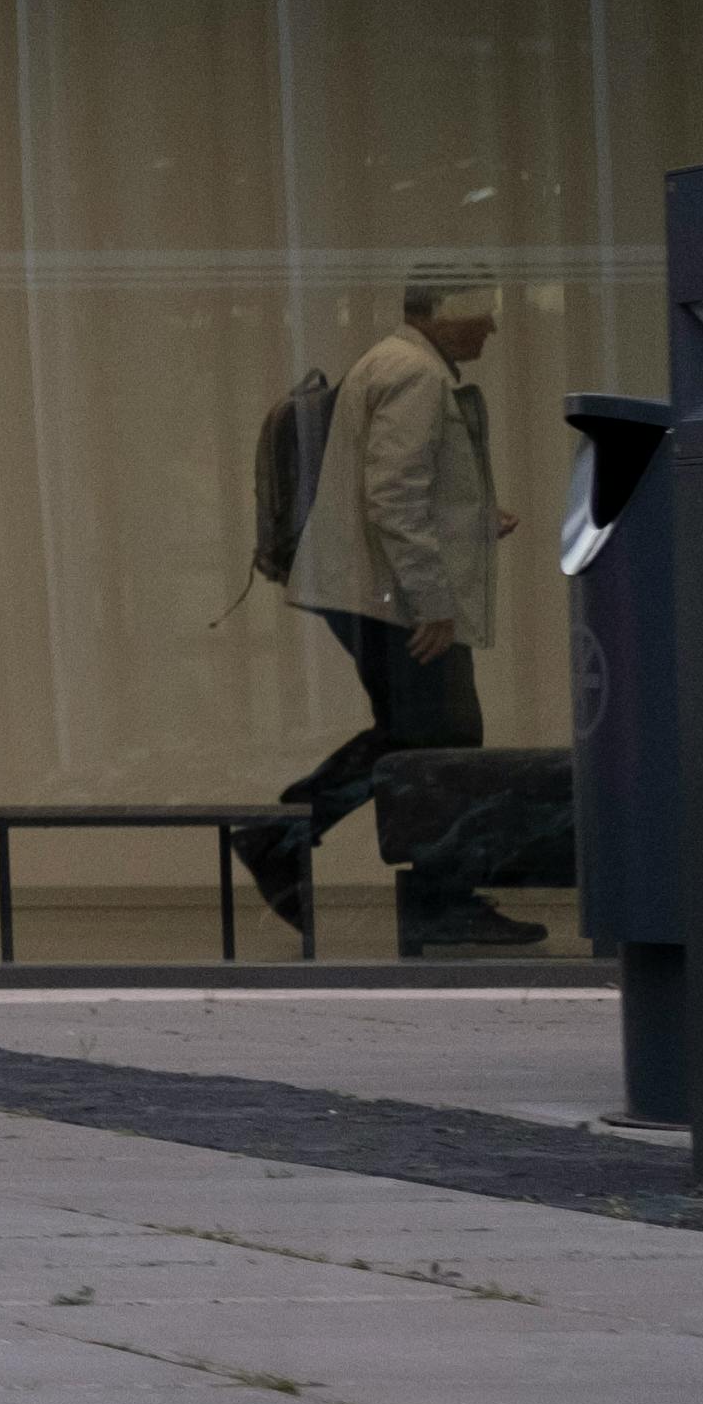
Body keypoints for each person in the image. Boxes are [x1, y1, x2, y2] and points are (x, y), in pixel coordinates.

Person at [248, 269, 536, 952]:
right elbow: (394, 498)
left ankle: (289, 838)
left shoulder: (393, 361)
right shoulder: (416, 374)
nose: (492, 325)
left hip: (375, 591)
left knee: (418, 737)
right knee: (443, 743)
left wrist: (470, 520)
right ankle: (434, 898)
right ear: (441, 311)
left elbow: (393, 488)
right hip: (395, 599)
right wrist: (433, 603)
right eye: (482, 311)